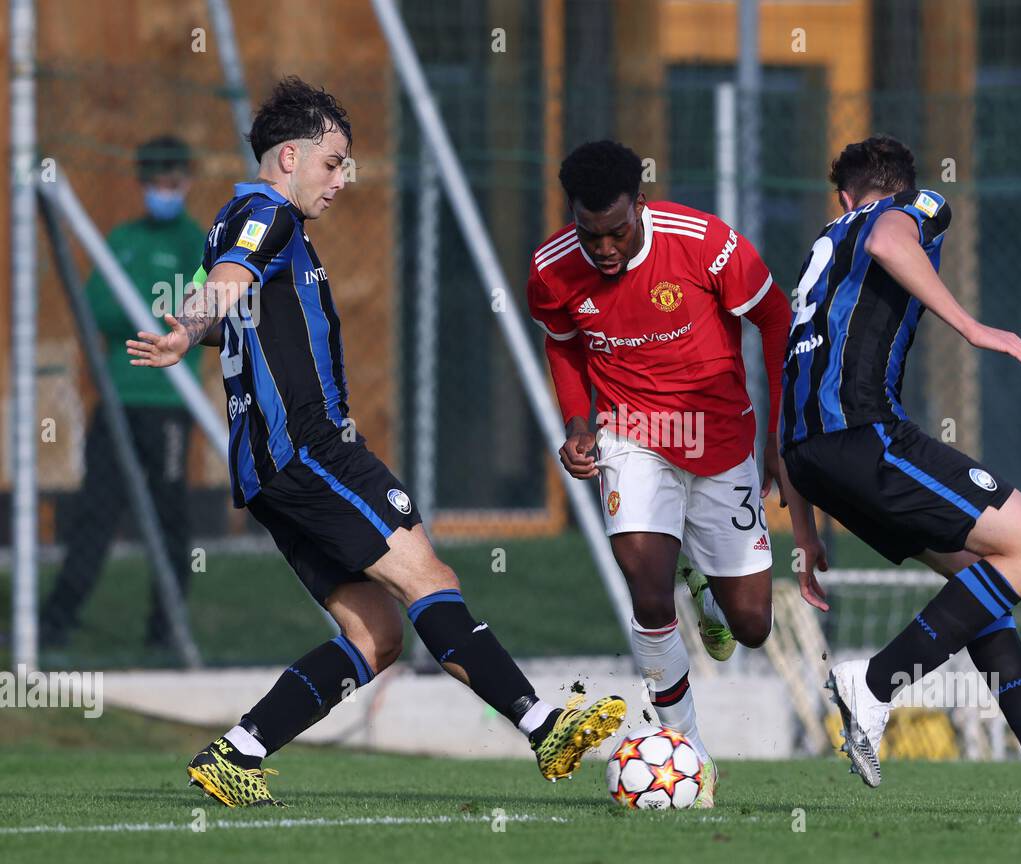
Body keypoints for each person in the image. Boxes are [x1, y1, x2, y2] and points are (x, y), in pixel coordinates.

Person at [127, 77, 624, 807]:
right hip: (310, 451)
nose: (340, 180)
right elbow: (227, 284)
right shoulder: (266, 213)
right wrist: (187, 325)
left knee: (377, 634)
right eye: (332, 163)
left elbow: (220, 297)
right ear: (289, 156)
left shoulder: (230, 218)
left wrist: (188, 325)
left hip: (267, 470)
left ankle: (239, 752)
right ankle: (545, 725)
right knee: (432, 581)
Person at [779, 135, 1021, 811]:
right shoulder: (912, 207)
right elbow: (891, 240)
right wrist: (975, 329)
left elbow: (787, 393)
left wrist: (802, 530)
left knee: (980, 591)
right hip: (866, 436)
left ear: (839, 196)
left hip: (811, 456)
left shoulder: (815, 260)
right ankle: (877, 683)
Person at [528, 140, 824, 807]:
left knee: (750, 627)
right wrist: (579, 425)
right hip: (631, 439)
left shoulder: (706, 244)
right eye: (589, 233)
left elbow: (775, 317)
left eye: (617, 231)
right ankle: (690, 752)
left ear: (641, 205)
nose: (603, 248)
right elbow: (564, 343)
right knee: (647, 593)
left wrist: (780, 432)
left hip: (721, 443)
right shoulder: (551, 269)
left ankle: (707, 586)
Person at [42, 135, 205, 649]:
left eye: (174, 181)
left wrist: (151, 310)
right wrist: (150, 310)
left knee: (170, 517)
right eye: (157, 181)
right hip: (118, 401)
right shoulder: (123, 238)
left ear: (187, 182)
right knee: (97, 511)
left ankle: (167, 630)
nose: (166, 190)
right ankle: (55, 623)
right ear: (143, 183)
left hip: (170, 405)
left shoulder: (196, 243)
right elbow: (100, 307)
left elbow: (196, 313)